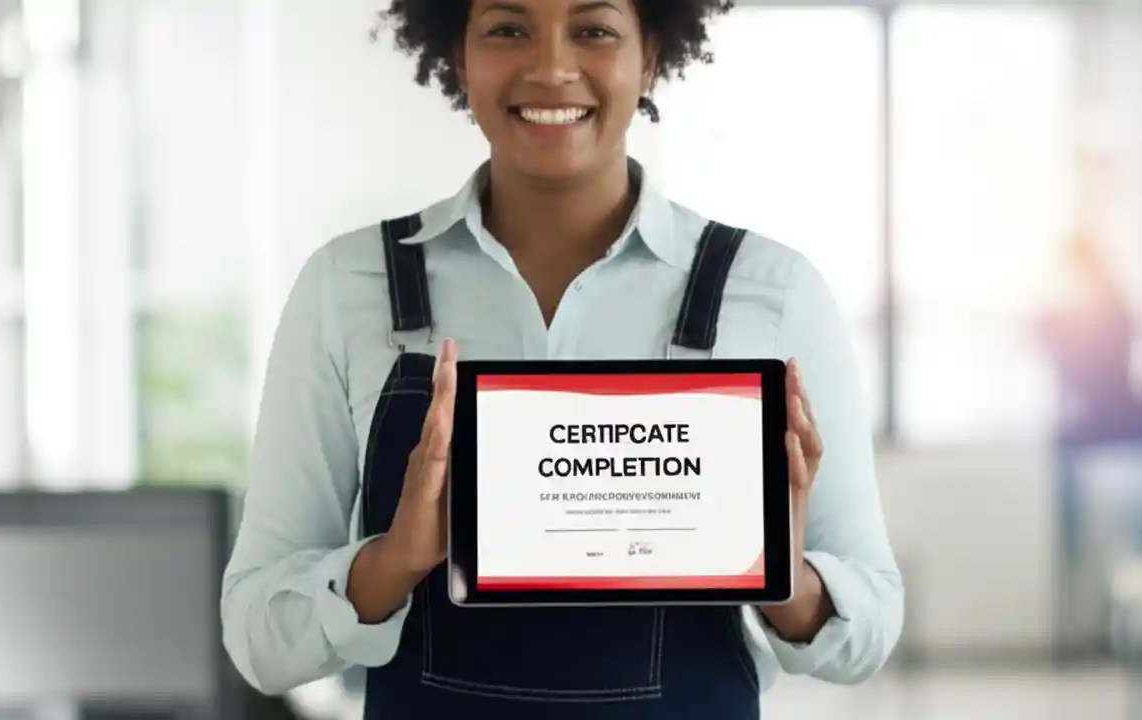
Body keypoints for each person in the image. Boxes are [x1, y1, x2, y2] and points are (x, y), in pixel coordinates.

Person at [221, 1, 903, 717]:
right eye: (508, 29)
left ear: (653, 56)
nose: (550, 67)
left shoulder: (772, 295)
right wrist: (393, 562)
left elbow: (872, 626)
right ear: (458, 54)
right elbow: (259, 640)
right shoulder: (345, 288)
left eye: (595, 30)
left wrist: (777, 571)